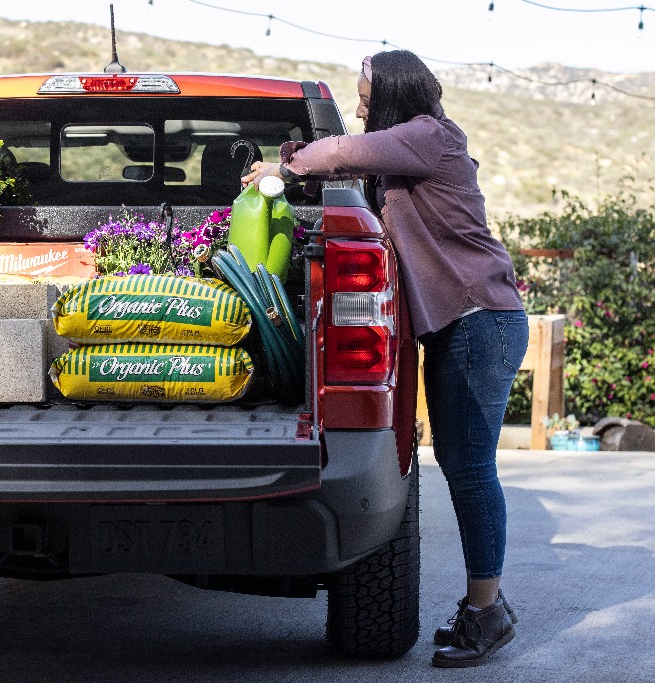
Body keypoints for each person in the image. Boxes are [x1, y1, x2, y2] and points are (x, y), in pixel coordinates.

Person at [243, 50, 528, 668]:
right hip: (460, 327)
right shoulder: (406, 155)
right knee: (460, 462)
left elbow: (344, 152)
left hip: (481, 321)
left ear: (397, 91)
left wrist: (283, 163)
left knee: (472, 468)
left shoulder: (431, 137)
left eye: (367, 92)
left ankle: (488, 610)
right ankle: (485, 606)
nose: (362, 103)